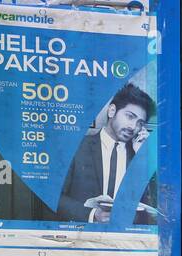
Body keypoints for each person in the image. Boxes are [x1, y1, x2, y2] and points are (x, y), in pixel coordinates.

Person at [58, 83, 158, 225]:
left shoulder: (139, 156)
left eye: (140, 123)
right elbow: (55, 198)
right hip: (81, 238)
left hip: (127, 241)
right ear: (112, 111)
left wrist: (143, 157)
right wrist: (93, 214)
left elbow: (157, 206)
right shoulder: (75, 146)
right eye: (130, 116)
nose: (133, 127)